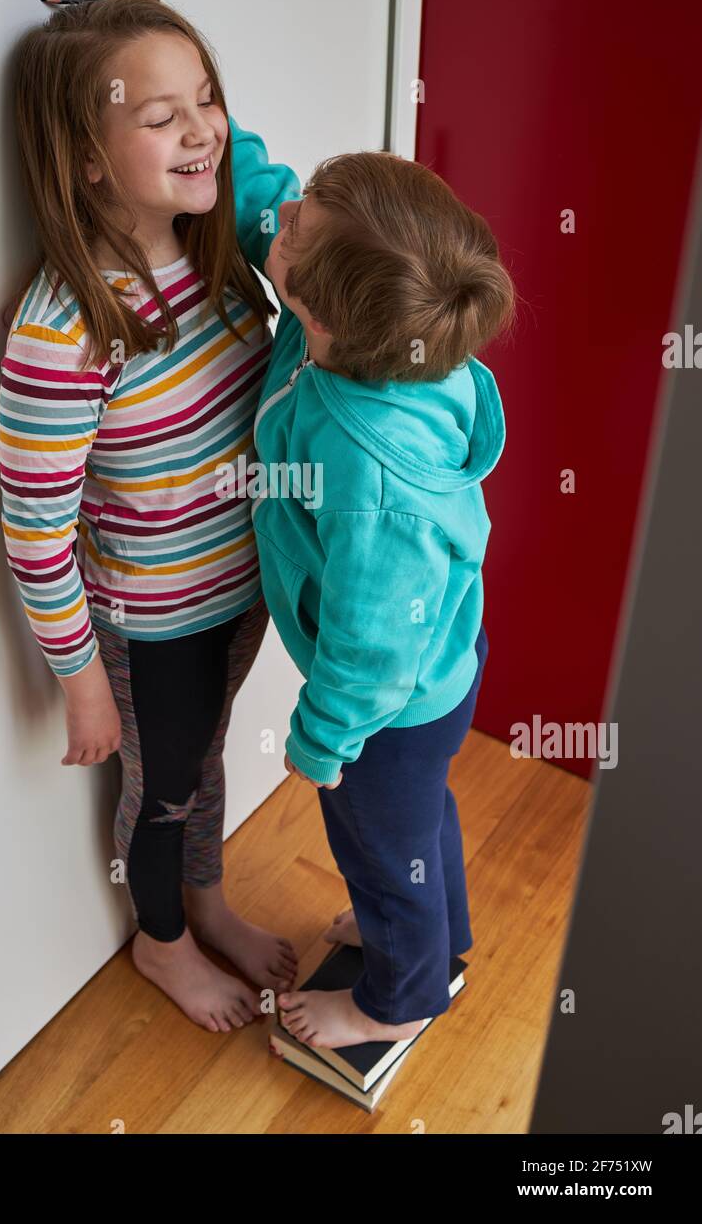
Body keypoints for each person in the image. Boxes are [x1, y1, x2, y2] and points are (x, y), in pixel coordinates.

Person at [0, 0, 303, 1033]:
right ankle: (160, 940)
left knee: (203, 756)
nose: (203, 131)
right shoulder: (64, 328)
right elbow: (35, 531)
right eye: (161, 115)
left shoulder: (219, 258)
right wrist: (81, 681)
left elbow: (225, 155)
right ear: (87, 159)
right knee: (163, 783)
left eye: (208, 98)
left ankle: (203, 896)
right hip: (154, 620)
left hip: (238, 592)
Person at [253, 156, 515, 1050]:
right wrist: (219, 126)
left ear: (318, 318)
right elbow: (268, 197)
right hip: (439, 671)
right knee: (421, 820)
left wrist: (321, 738)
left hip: (388, 707)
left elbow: (370, 646)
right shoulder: (385, 334)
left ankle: (397, 1002)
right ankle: (441, 938)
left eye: (295, 228)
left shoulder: (368, 472)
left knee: (377, 848)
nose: (281, 212)